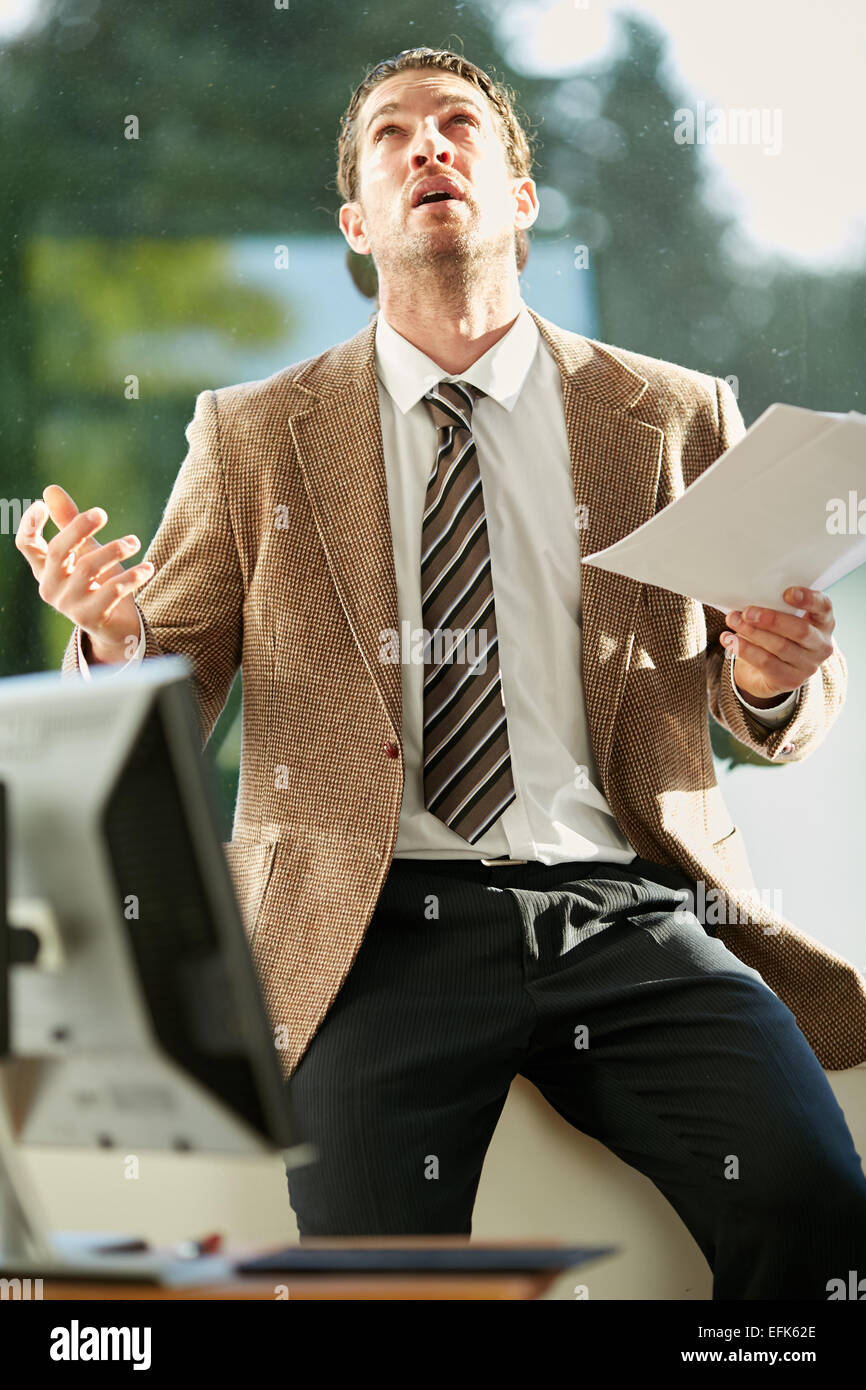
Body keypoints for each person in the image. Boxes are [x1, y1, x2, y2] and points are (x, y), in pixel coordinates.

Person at [16, 48, 866, 1299]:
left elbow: (760, 709)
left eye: (459, 126)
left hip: (624, 910)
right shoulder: (251, 433)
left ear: (520, 199)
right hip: (370, 931)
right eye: (392, 137)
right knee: (375, 1279)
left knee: (813, 1210)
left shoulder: (673, 413)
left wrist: (775, 677)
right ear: (358, 224)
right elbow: (169, 693)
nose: (429, 147)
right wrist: (113, 638)